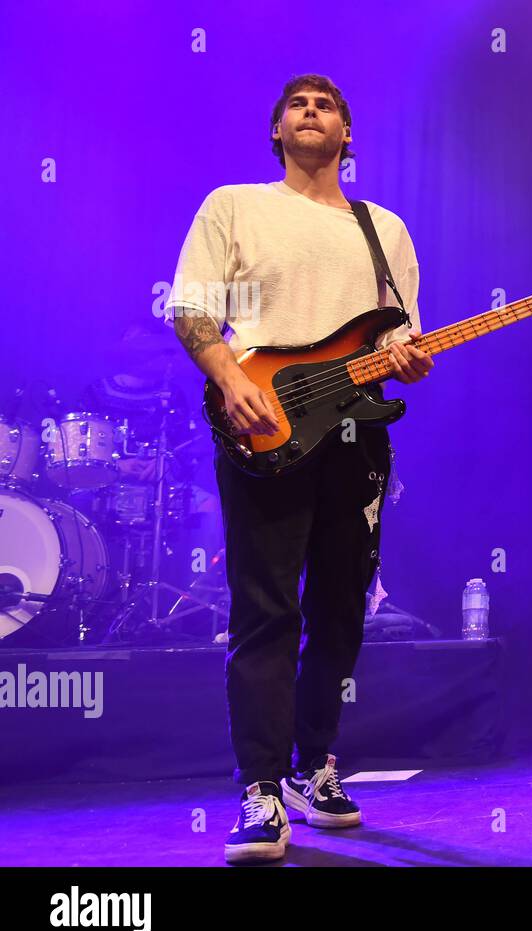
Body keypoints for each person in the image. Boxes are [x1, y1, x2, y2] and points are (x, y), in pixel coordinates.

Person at [165, 74, 434, 864]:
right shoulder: (235, 205)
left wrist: (407, 359)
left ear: (347, 134)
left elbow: (396, 340)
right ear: (277, 130)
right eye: (297, 106)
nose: (311, 113)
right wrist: (228, 373)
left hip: (358, 439)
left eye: (327, 107)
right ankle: (258, 788)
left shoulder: (383, 228)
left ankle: (313, 767)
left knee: (342, 611)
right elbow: (190, 307)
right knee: (266, 611)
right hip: (266, 428)